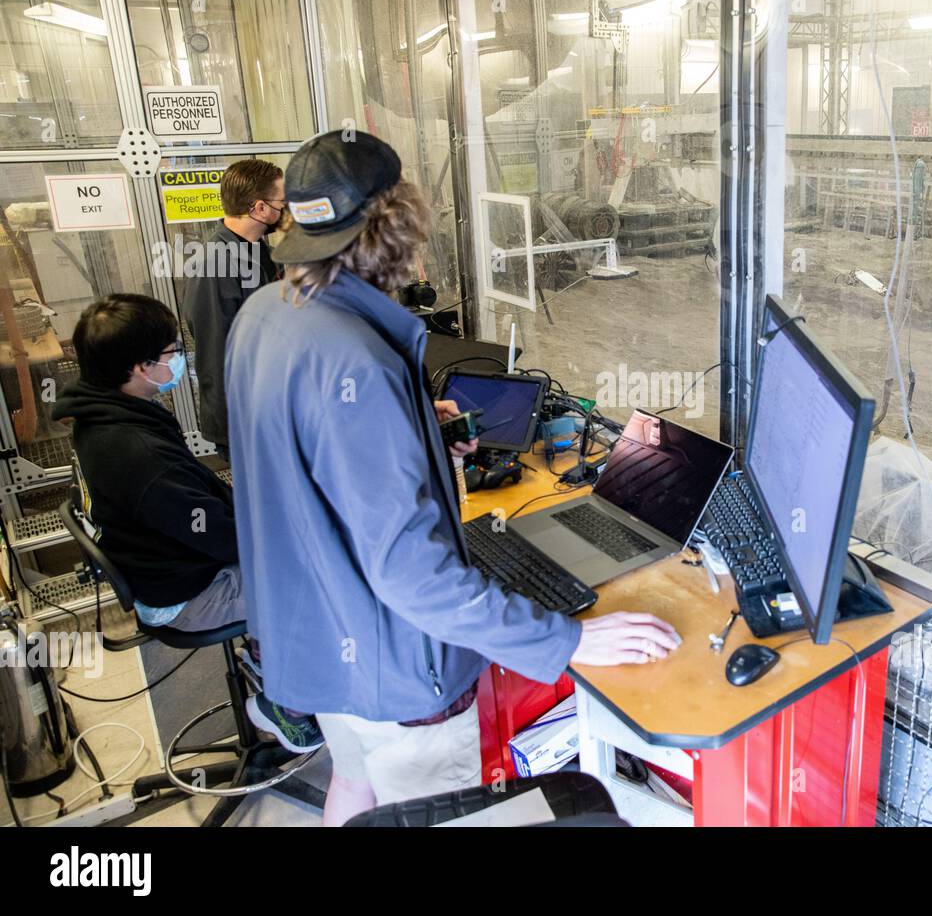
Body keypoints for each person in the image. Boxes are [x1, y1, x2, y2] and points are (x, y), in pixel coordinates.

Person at [225, 130, 680, 825]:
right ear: (397, 224)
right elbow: (413, 577)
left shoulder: (266, 313)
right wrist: (569, 641)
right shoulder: (356, 362)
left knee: (357, 787)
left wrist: (412, 432)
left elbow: (298, 456)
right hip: (396, 673)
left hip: (316, 641)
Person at [52, 294, 322, 754]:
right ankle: (284, 703)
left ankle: (265, 654)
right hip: (184, 595)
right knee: (317, 581)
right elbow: (221, 538)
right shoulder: (137, 451)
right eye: (172, 352)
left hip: (163, 566)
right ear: (140, 366)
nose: (179, 359)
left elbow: (196, 509)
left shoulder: (101, 413)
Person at [182, 159, 286, 460]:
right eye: (282, 201)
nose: (287, 208)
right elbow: (216, 356)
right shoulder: (215, 267)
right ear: (259, 208)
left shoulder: (259, 251)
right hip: (244, 421)